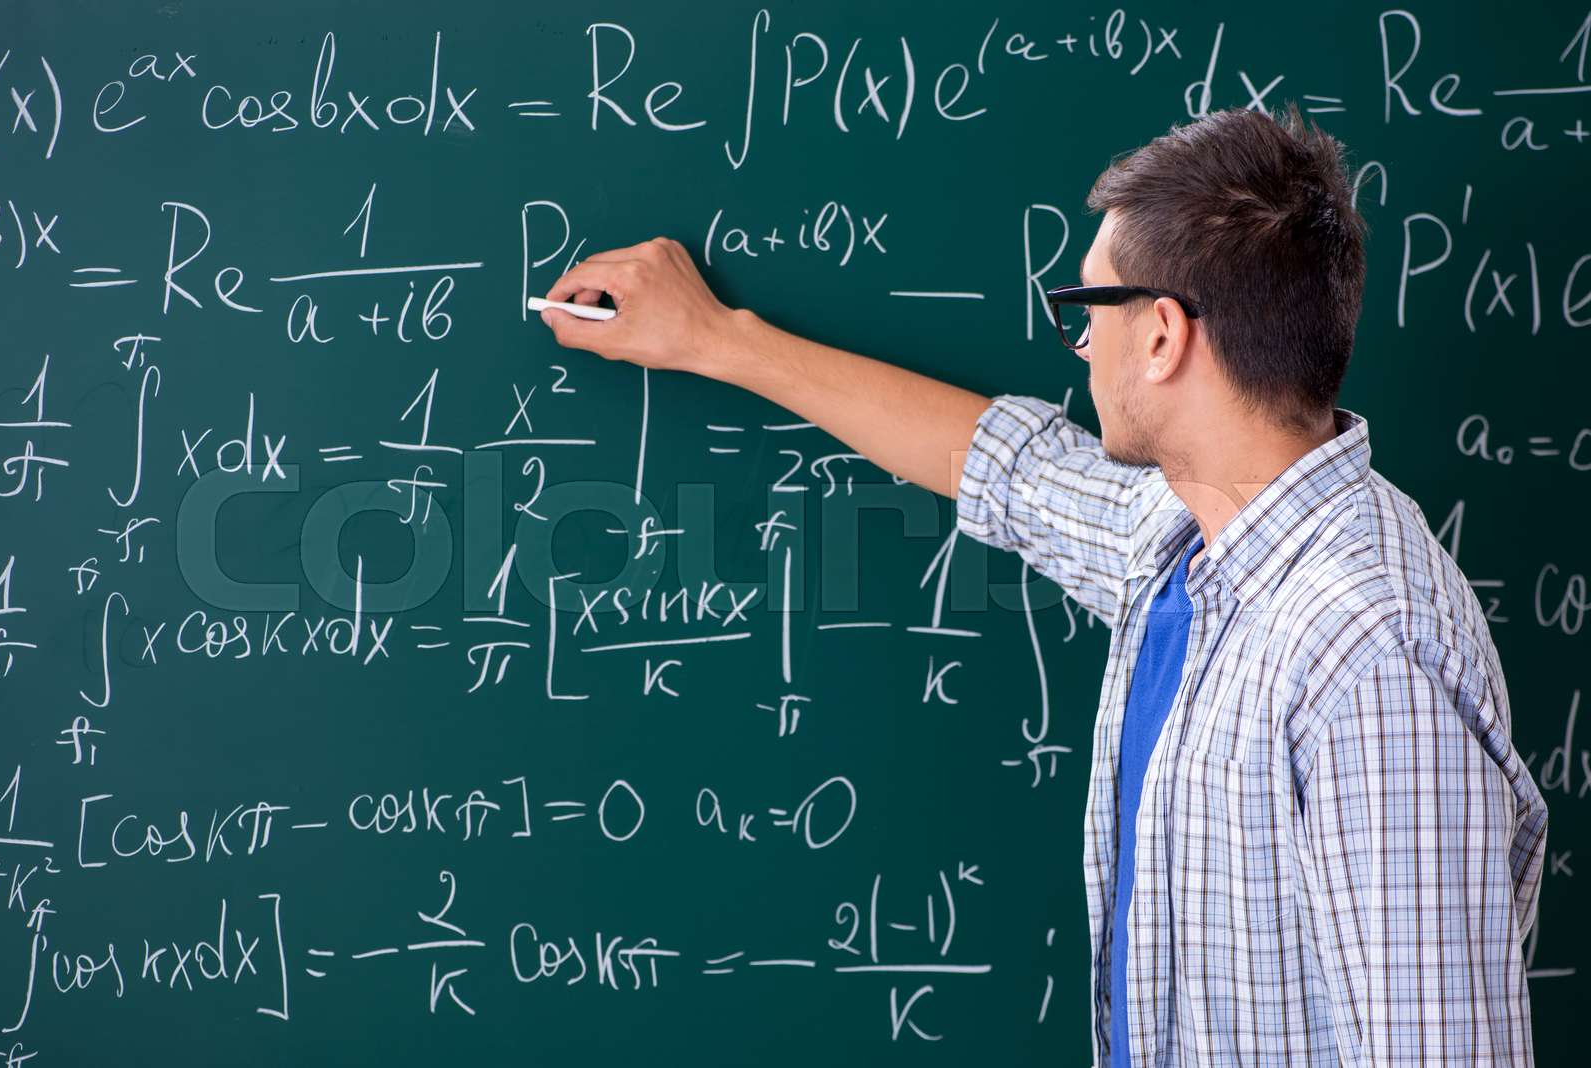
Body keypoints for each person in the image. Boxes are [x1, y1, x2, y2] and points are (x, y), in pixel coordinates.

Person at [536, 101, 1548, 1066]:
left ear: (1162, 335)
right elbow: (1005, 467)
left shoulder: (1366, 657)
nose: (1081, 346)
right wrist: (714, 338)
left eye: (1086, 310)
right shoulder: (1191, 537)